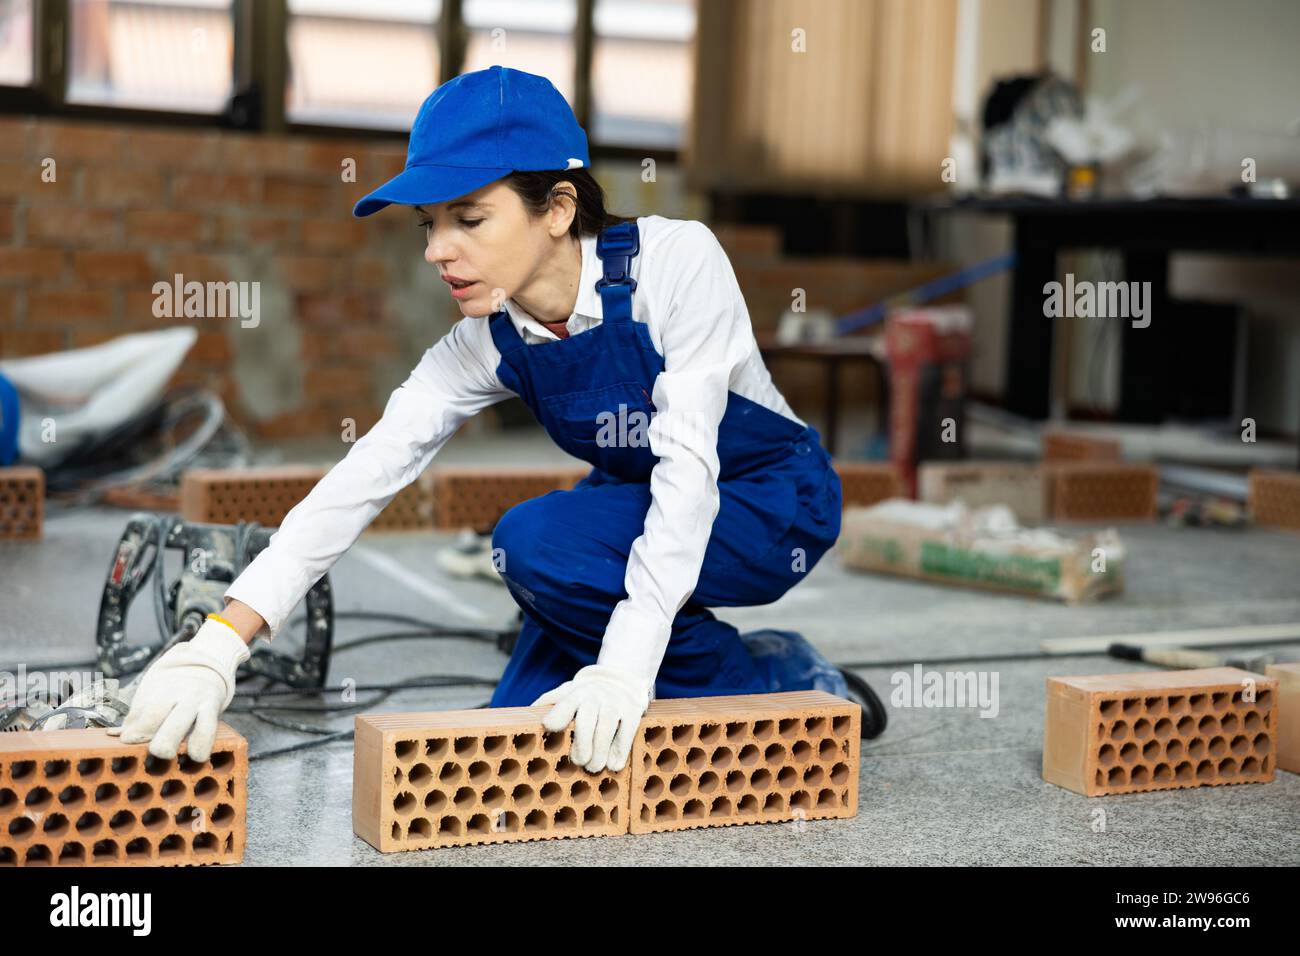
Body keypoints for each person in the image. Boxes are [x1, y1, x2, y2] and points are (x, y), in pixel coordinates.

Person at [110, 65, 847, 775]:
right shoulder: (483, 342)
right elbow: (364, 475)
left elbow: (688, 476)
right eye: (429, 224)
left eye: (469, 218)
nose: (437, 250)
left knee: (537, 545)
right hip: (645, 496)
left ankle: (773, 677)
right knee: (523, 721)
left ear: (557, 209)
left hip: (771, 499)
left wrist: (623, 670)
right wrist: (219, 644)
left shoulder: (679, 263)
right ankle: (675, 667)